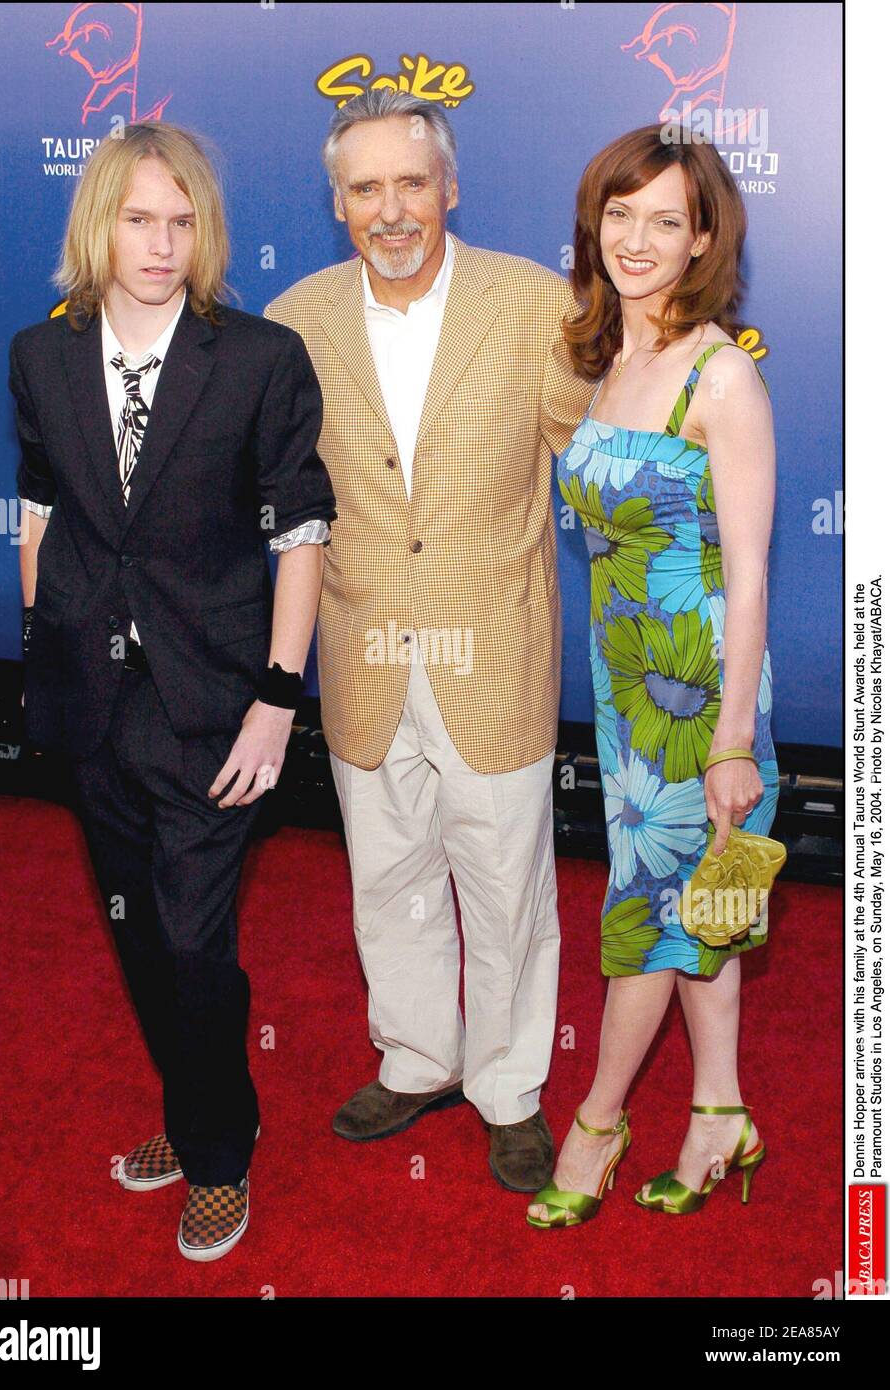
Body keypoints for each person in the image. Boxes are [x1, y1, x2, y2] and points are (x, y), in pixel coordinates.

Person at [11, 121, 336, 1260]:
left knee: (197, 943)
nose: (160, 243)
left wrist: (276, 694)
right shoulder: (40, 356)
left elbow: (300, 532)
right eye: (140, 217)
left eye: (182, 220)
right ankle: (200, 1108)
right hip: (90, 698)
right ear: (97, 222)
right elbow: (41, 507)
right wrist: (42, 636)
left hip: (217, 704)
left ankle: (216, 1153)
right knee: (135, 931)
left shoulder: (257, 359)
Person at [265, 89, 595, 1192]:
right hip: (359, 651)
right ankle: (415, 1055)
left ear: (448, 188)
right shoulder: (295, 318)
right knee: (389, 873)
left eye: (411, 183)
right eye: (365, 189)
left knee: (505, 883)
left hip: (489, 650)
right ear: (337, 203)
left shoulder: (533, 304)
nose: (390, 209)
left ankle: (506, 1088)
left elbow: (593, 463)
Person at [527, 125, 777, 1228]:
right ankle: (717, 1108)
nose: (635, 239)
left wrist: (730, 737)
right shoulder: (611, 362)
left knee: (647, 917)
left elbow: (753, 574)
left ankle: (594, 1122)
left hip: (697, 692)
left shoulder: (720, 379)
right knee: (699, 915)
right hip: (624, 689)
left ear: (701, 238)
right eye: (618, 214)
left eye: (663, 220)